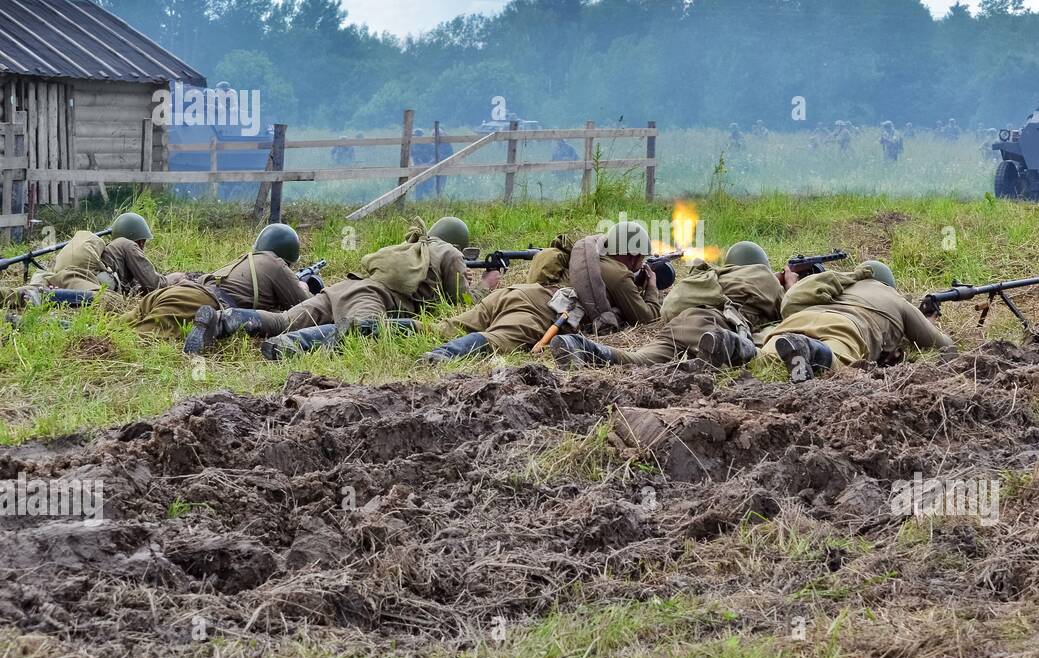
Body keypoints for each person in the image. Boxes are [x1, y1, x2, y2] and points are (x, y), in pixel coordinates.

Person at [194, 216, 496, 359]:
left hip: (347, 287)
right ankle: (290, 346)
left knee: (283, 320)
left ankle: (227, 319)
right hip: (374, 298)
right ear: (460, 242)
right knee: (362, 330)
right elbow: (461, 304)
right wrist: (486, 285)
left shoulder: (412, 247)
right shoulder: (450, 253)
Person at [420, 221, 662, 363]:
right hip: (540, 311)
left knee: (444, 327)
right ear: (632, 254)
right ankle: (442, 355)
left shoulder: (588, 256)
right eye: (641, 258)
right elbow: (646, 318)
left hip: (517, 292)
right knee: (497, 340)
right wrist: (651, 290)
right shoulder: (619, 274)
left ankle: (384, 327)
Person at [549, 239, 784, 368]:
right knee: (756, 352)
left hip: (681, 324)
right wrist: (788, 283)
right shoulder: (764, 279)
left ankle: (586, 348)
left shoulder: (713, 276)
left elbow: (667, 309)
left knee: (639, 359)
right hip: (717, 325)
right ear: (760, 265)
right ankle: (725, 346)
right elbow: (788, 311)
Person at [756, 260, 954, 382]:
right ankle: (813, 352)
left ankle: (739, 348)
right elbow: (942, 344)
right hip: (844, 327)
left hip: (798, 321)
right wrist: (929, 321)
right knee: (834, 360)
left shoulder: (845, 284)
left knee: (768, 358)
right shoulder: (895, 299)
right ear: (889, 284)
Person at [120, 223, 309, 347]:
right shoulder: (275, 264)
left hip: (175, 292)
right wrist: (303, 287)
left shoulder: (244, 261)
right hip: (194, 301)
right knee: (139, 340)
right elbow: (307, 310)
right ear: (287, 257)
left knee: (118, 328)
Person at [29, 212, 179, 309]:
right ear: (140, 242)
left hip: (66, 279)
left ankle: (36, 295)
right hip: (83, 283)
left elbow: (134, 286)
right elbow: (154, 284)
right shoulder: (128, 245)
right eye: (143, 243)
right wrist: (172, 279)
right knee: (112, 302)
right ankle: (41, 296)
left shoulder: (110, 254)